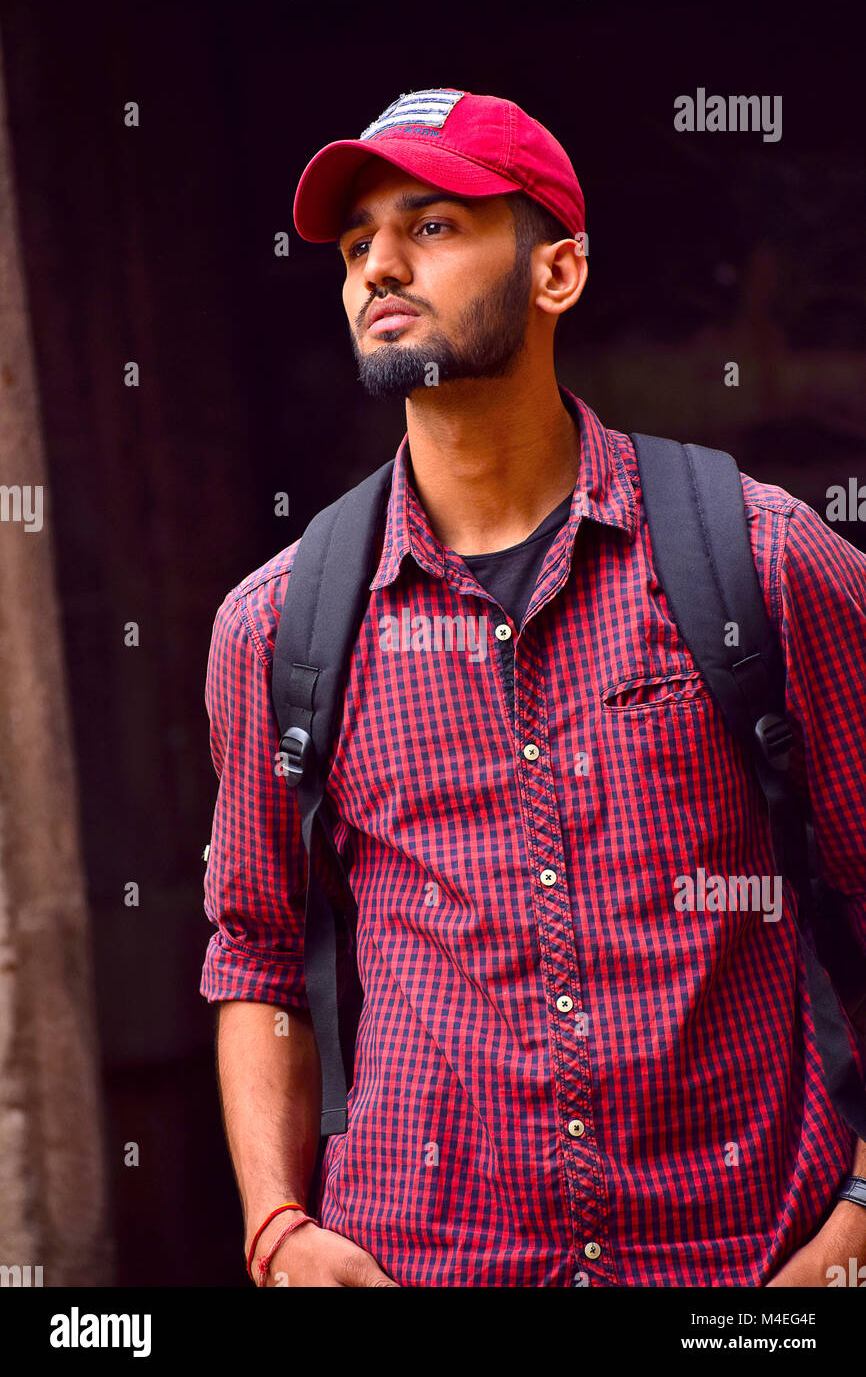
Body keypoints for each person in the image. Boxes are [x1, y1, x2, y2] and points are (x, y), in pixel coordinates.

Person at [200, 88, 866, 1287]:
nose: (378, 266)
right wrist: (277, 1233)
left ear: (557, 271)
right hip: (425, 1261)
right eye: (356, 245)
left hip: (742, 1267)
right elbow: (256, 947)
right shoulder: (276, 626)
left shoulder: (763, 560)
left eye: (433, 226)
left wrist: (862, 1216)